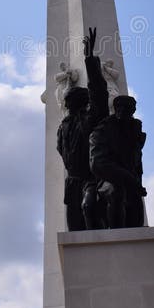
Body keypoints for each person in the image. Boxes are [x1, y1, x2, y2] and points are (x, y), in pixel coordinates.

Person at [56, 27, 109, 230]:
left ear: (79, 103)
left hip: (90, 180)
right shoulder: (64, 126)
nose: (66, 104)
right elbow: (61, 149)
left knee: (90, 214)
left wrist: (90, 60)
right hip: (72, 183)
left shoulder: (90, 117)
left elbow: (99, 94)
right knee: (74, 230)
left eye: (69, 101)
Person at [89, 95, 147, 228]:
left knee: (137, 219)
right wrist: (129, 178)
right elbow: (98, 164)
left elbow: (136, 161)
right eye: (121, 108)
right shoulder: (102, 130)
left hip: (132, 183)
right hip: (107, 181)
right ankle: (115, 238)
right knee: (116, 192)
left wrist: (136, 181)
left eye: (130, 110)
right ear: (116, 109)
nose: (125, 113)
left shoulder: (135, 129)